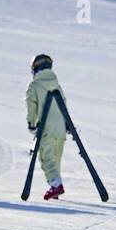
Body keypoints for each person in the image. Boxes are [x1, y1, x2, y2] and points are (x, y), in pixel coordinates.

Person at [26, 54, 68, 201]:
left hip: (47, 128)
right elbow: (63, 102)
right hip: (61, 127)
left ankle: (56, 184)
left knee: (46, 158)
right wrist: (67, 124)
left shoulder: (34, 86)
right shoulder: (56, 85)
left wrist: (31, 123)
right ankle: (55, 185)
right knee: (56, 157)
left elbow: (31, 105)